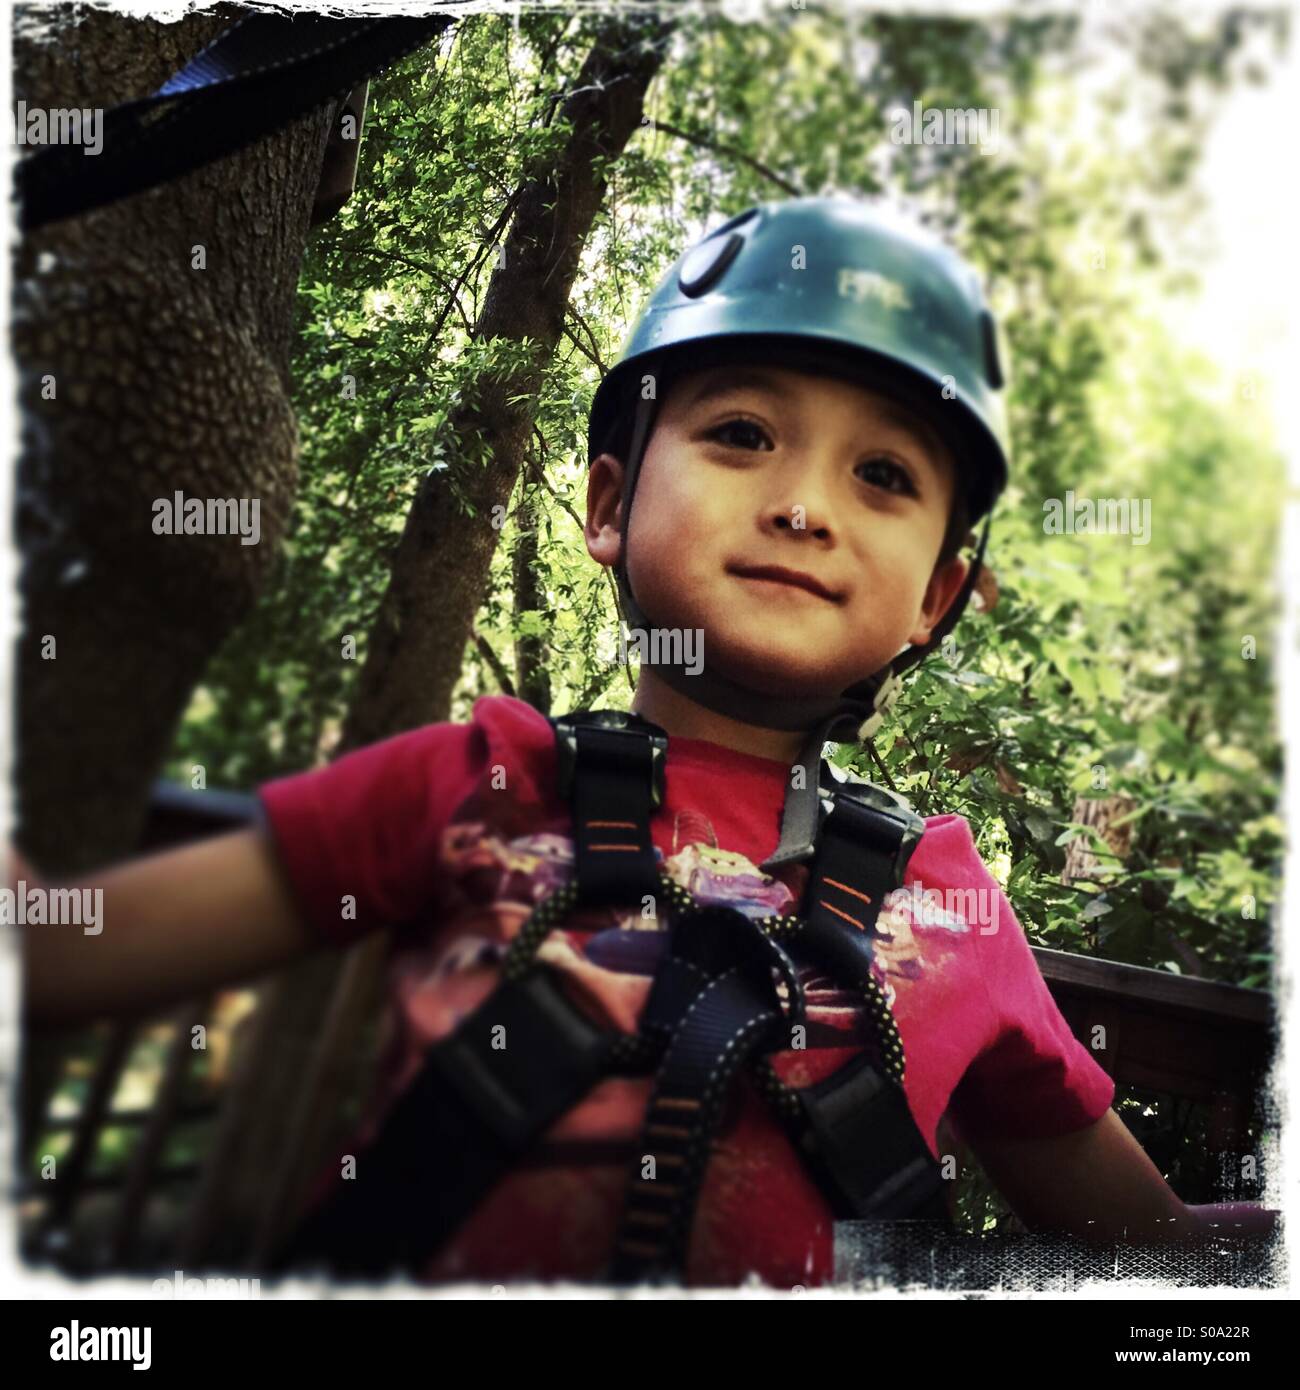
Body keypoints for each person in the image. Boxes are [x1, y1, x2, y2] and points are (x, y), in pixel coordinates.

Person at [14, 196, 1274, 1287]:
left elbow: (1147, 1249)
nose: (799, 504)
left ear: (934, 598)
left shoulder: (949, 902)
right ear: (610, 505)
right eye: (740, 435)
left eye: (883, 475)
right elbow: (62, 956)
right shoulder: (472, 783)